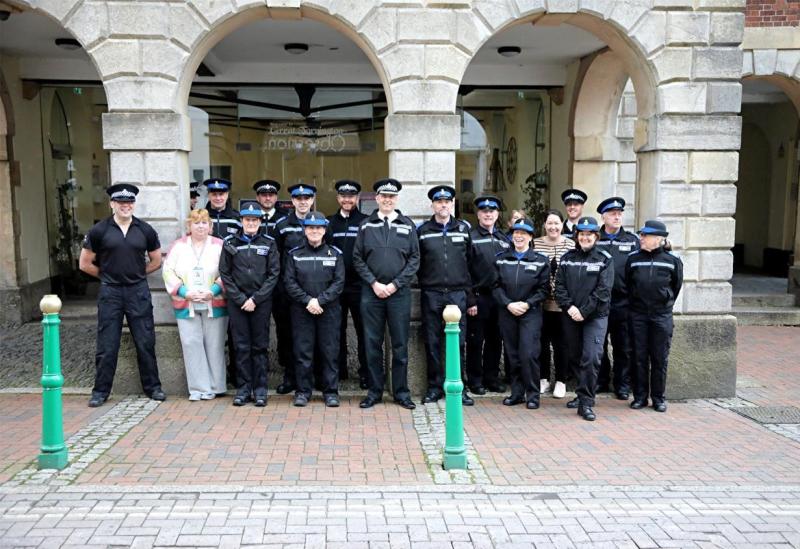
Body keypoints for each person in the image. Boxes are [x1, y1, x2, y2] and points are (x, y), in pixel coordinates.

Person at [79, 184, 165, 407]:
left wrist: (136, 274)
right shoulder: (100, 230)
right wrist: (108, 276)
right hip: (111, 292)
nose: (125, 206)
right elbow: (85, 263)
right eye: (120, 203)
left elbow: (157, 261)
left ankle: (153, 387)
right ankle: (100, 391)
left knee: (145, 342)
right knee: (107, 345)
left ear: (134, 204)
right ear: (112, 204)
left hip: (138, 291)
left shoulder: (145, 230)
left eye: (129, 203)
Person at [352, 178, 418, 410]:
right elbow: (357, 258)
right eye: (384, 196)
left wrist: (395, 284)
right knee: (372, 344)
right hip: (372, 293)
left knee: (400, 345)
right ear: (377, 199)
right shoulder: (366, 225)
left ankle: (401, 392)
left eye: (392, 197)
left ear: (396, 199)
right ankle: (374, 391)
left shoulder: (407, 225)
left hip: (398, 294)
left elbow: (414, 260)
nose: (388, 200)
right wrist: (374, 283)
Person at [417, 185, 474, 406]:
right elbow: (417, 263)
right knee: (432, 342)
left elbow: (469, 264)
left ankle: (459, 387)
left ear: (452, 204)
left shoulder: (463, 228)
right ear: (433, 205)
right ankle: (433, 387)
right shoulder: (422, 231)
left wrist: (469, 297)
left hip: (458, 294)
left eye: (447, 201)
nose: (443, 205)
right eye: (439, 202)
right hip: (432, 293)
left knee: (458, 343)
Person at [219, 201, 280, 407]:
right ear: (242, 221)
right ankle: (244, 389)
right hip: (238, 303)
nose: (251, 223)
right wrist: (241, 299)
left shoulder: (269, 243)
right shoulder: (230, 243)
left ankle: (260, 390)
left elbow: (273, 275)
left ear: (260, 221)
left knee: (260, 347)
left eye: (255, 220)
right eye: (248, 220)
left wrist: (255, 299)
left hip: (261, 303)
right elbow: (225, 274)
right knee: (241, 347)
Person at [162, 209, 228, 400]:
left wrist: (212, 291)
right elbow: (168, 271)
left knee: (215, 345)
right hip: (186, 303)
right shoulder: (178, 246)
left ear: (211, 226)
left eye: (204, 223)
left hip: (214, 302)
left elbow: (229, 271)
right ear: (189, 226)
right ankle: (199, 389)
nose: (201, 226)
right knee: (191, 344)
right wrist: (185, 292)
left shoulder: (219, 245)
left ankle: (216, 386)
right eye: (196, 223)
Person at [284, 211, 346, 407]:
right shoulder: (294, 254)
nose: (314, 231)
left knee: (329, 351)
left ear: (324, 230)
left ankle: (330, 392)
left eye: (318, 228)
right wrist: (308, 301)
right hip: (302, 310)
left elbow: (339, 282)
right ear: (305, 230)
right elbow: (289, 281)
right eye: (311, 228)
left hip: (329, 310)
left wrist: (320, 301)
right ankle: (303, 391)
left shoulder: (335, 254)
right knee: (303, 351)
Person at [555, 216, 613, 421]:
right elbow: (559, 287)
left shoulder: (604, 258)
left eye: (589, 234)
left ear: (596, 236)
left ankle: (586, 403)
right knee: (575, 357)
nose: (585, 238)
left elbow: (603, 291)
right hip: (571, 315)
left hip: (595, 317)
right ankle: (581, 394)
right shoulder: (567, 257)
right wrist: (570, 307)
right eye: (582, 234)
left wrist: (584, 311)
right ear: (576, 236)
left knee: (591, 357)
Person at [625, 220, 683, 413]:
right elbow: (628, 284)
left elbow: (676, 286)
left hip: (661, 315)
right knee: (639, 356)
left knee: (659, 358)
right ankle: (640, 396)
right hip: (638, 314)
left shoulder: (672, 261)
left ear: (659, 239)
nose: (641, 238)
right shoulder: (633, 259)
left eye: (645, 235)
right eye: (641, 235)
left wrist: (664, 302)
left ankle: (658, 398)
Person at [494, 218, 550, 409]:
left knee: (529, 354)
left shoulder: (541, 261)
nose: (518, 236)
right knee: (512, 354)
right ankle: (517, 393)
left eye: (523, 233)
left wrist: (527, 304)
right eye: (516, 233)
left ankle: (532, 394)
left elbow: (544, 290)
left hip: (530, 313)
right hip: (507, 312)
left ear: (530, 237)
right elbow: (495, 287)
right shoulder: (501, 258)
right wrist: (508, 304)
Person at [273, 183, 317, 394]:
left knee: (314, 337)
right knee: (288, 336)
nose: (302, 202)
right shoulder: (282, 225)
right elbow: (277, 259)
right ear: (292, 201)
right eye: (298, 198)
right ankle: (290, 377)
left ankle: (313, 377)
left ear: (312, 200)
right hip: (288, 293)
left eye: (307, 198)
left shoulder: (320, 223)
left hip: (314, 292)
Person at [595, 196, 640, 399]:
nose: (617, 217)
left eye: (619, 213)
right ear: (603, 217)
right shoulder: (595, 239)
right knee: (599, 344)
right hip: (599, 302)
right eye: (612, 214)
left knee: (624, 346)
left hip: (623, 302)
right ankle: (601, 381)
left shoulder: (631, 241)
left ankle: (622, 384)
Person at [466, 195, 510, 395]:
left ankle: (491, 377)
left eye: (491, 211)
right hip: (479, 297)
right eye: (484, 211)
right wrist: (470, 298)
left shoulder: (504, 239)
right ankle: (475, 379)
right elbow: (464, 270)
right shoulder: (471, 237)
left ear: (497, 214)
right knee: (476, 341)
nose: (488, 214)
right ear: (478, 214)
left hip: (499, 298)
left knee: (495, 340)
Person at [326, 180, 369, 388]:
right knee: (336, 330)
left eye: (351, 196)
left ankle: (365, 373)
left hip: (359, 286)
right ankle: (339, 371)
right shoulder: (329, 223)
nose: (347, 200)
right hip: (335, 287)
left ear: (357, 199)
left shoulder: (366, 222)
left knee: (364, 331)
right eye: (343, 196)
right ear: (338, 198)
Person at [532, 209, 575, 399]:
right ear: (544, 225)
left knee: (561, 344)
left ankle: (561, 381)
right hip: (541, 305)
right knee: (541, 342)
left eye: (557, 223)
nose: (553, 227)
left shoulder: (571, 244)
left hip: (563, 305)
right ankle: (543, 379)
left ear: (562, 225)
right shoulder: (536, 244)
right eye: (549, 223)